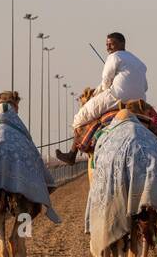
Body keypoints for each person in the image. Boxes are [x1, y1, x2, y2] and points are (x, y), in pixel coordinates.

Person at [55, 32, 149, 164]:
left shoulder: (114, 57)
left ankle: (72, 154)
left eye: (111, 44)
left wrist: (96, 95)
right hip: (139, 101)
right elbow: (145, 87)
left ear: (122, 44)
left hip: (116, 97)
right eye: (107, 44)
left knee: (79, 119)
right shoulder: (139, 62)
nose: (108, 47)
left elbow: (105, 82)